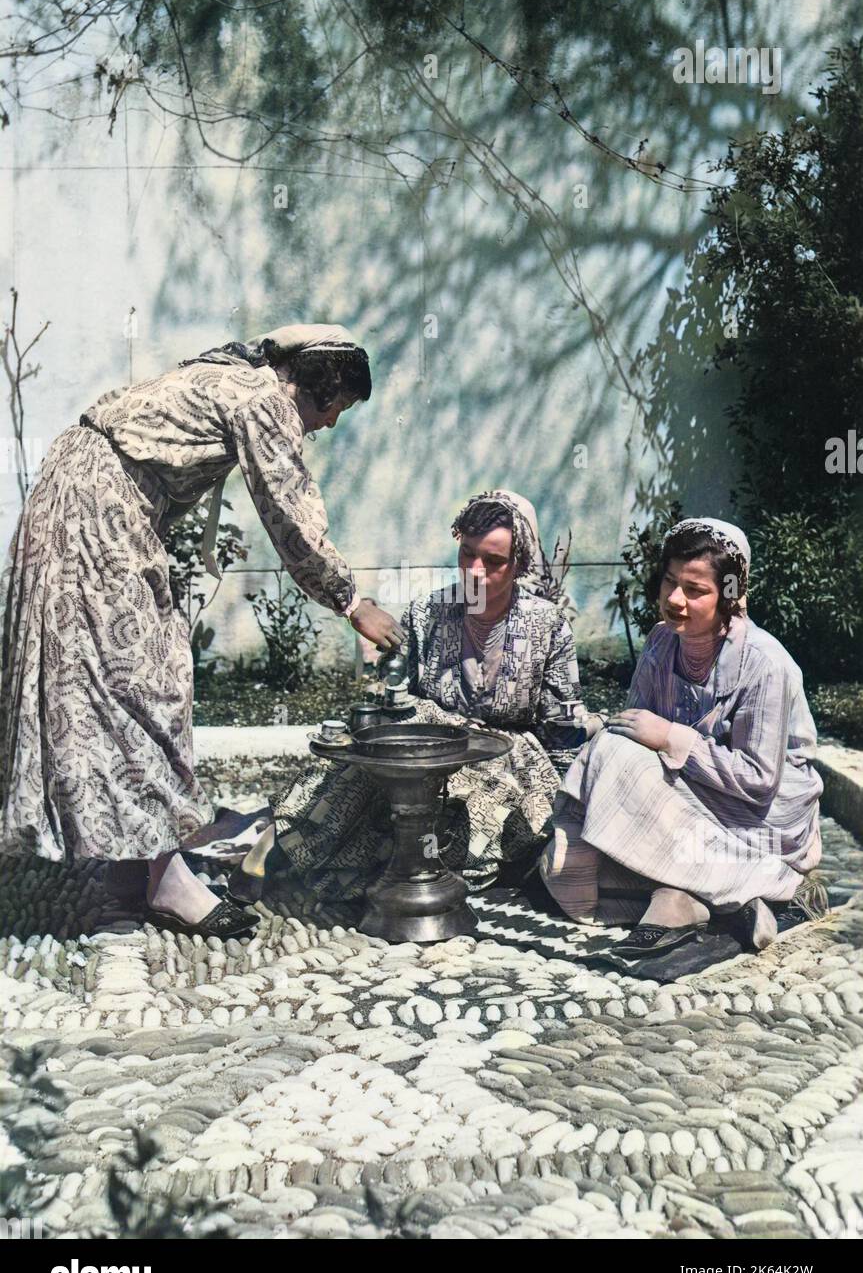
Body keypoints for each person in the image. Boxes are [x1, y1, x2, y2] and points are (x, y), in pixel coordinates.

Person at [0, 323, 403, 938]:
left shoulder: (236, 381)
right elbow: (289, 512)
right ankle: (155, 881)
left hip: (78, 498)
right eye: (337, 408)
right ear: (321, 386)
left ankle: (134, 870)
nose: (330, 425)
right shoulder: (263, 399)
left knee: (110, 691)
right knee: (140, 690)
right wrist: (352, 602)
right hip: (95, 515)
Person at [238, 489, 603, 922]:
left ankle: (374, 873)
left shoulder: (547, 625)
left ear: (520, 565)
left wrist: (570, 810)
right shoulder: (428, 612)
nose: (475, 571)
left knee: (453, 835)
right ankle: (287, 840)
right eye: (466, 554)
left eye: (493, 561)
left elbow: (560, 725)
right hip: (427, 753)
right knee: (355, 773)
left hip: (506, 760)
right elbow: (394, 698)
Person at [541, 517, 826, 958]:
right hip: (694, 789)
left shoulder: (765, 664)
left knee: (616, 760)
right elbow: (635, 731)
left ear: (728, 596)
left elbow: (759, 780)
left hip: (763, 815)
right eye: (670, 582)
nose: (675, 599)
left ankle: (777, 883)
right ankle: (705, 896)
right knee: (565, 872)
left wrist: (672, 737)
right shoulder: (661, 642)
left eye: (695, 590)